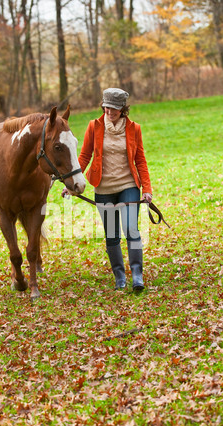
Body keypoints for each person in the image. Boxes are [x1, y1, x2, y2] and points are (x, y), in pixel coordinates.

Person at [63, 88, 152, 291]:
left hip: (128, 185)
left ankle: (137, 274)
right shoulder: (94, 126)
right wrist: (72, 185)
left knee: (131, 228)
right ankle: (119, 276)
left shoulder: (134, 129)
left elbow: (140, 160)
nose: (109, 112)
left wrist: (146, 188)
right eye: (107, 108)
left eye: (114, 109)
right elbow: (84, 156)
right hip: (103, 188)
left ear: (123, 110)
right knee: (111, 234)